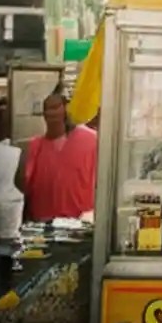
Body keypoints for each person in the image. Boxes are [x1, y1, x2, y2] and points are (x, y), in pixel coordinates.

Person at [19, 88, 98, 222]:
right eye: (47, 108)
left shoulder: (91, 140)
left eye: (55, 107)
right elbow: (27, 187)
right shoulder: (36, 146)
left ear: (66, 109)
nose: (51, 113)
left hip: (79, 222)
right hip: (44, 224)